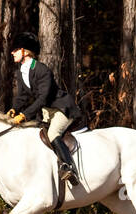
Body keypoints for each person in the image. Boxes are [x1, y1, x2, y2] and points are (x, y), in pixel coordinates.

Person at [6, 31, 86, 183]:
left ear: (24, 51)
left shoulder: (42, 69)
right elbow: (22, 96)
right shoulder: (20, 72)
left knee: (53, 133)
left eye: (15, 50)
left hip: (61, 109)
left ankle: (70, 168)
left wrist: (24, 115)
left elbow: (42, 98)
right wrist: (14, 109)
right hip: (45, 112)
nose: (12, 52)